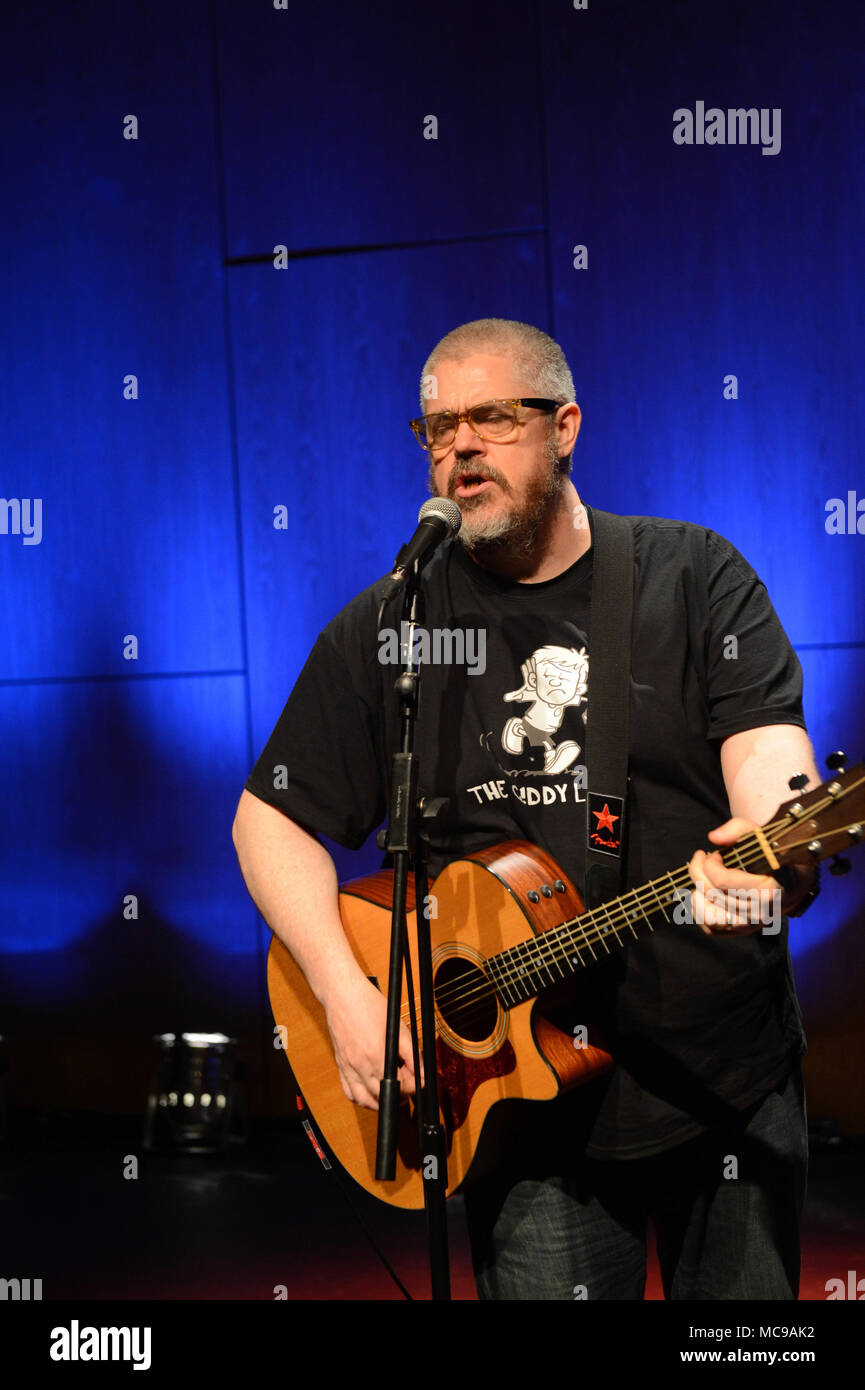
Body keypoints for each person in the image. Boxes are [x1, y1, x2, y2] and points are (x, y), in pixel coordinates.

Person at [232, 317, 821, 1300]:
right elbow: (268, 818)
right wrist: (346, 996)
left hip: (719, 1078)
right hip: (513, 1108)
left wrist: (773, 856)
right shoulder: (397, 621)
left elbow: (769, 759)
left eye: (492, 419)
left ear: (565, 427)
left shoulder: (691, 577)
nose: (459, 447)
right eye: (437, 428)